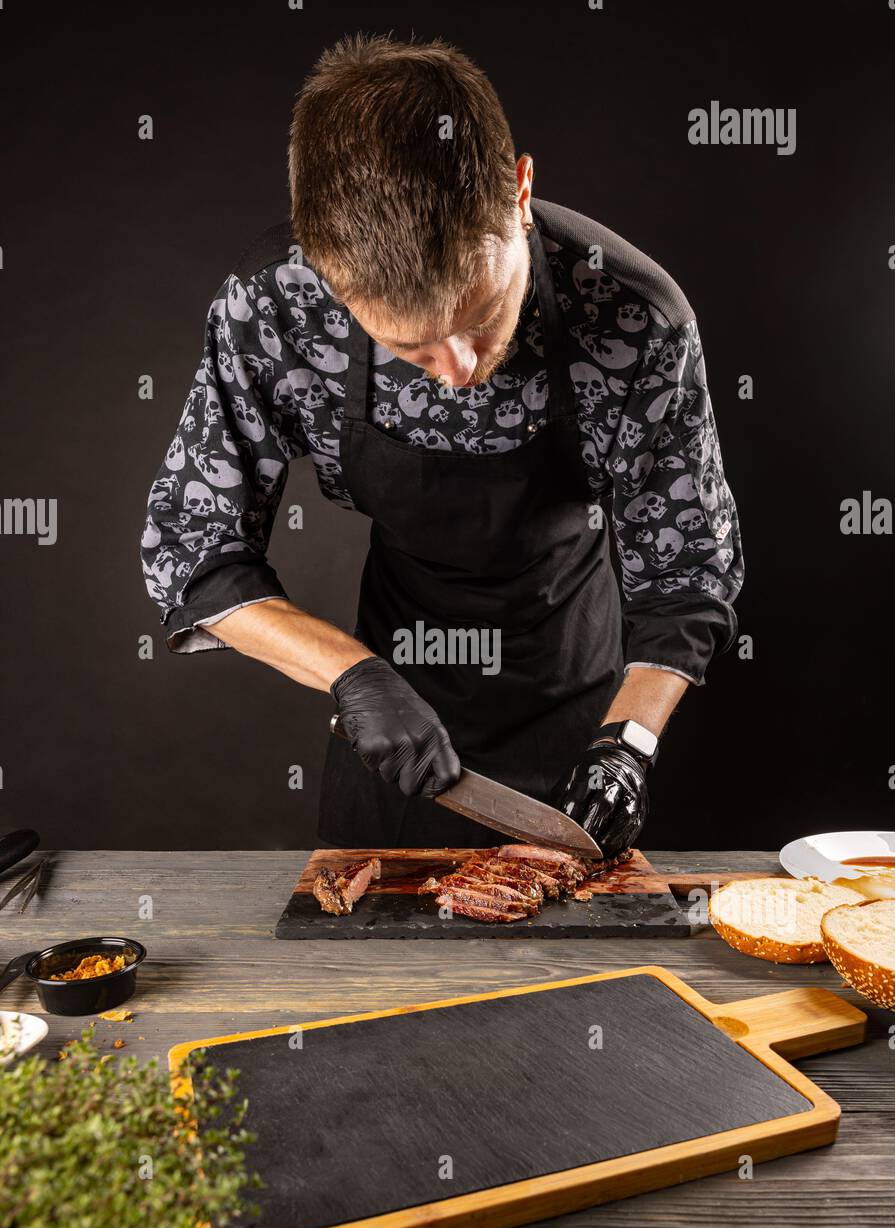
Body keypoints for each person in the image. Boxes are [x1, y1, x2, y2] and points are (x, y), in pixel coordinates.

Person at [140, 35, 743, 855]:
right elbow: (192, 553)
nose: (459, 371)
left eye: (479, 317)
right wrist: (352, 676)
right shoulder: (275, 307)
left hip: (580, 704)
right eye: (412, 349)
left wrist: (628, 743)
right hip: (388, 717)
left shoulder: (635, 317)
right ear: (325, 272)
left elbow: (684, 576)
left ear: (520, 191)